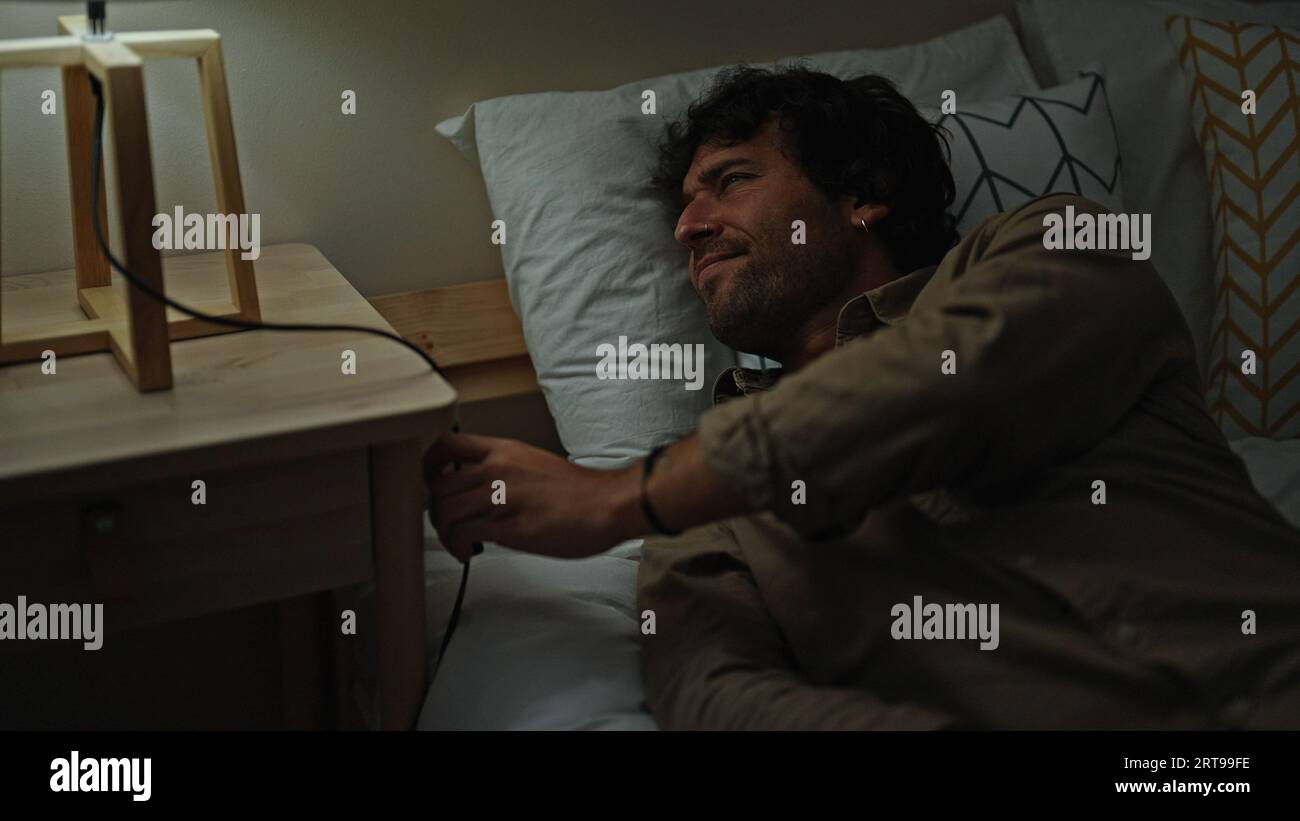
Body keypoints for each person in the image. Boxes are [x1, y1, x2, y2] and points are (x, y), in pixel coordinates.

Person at [423, 66, 1300, 729]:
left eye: (730, 180)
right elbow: (711, 689)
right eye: (683, 211)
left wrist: (618, 496)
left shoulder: (1055, 244)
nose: (689, 227)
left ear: (862, 197)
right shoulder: (707, 509)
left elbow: (953, 376)